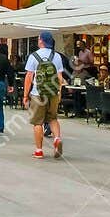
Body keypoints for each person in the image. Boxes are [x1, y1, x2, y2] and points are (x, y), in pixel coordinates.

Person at [24, 31, 68, 160]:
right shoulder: (57, 56)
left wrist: (25, 95)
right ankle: (57, 138)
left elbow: (29, 77)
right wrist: (59, 92)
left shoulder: (34, 56)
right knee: (53, 118)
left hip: (38, 93)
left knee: (38, 123)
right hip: (53, 93)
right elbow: (60, 77)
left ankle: (39, 150)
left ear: (41, 41)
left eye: (38, 39)